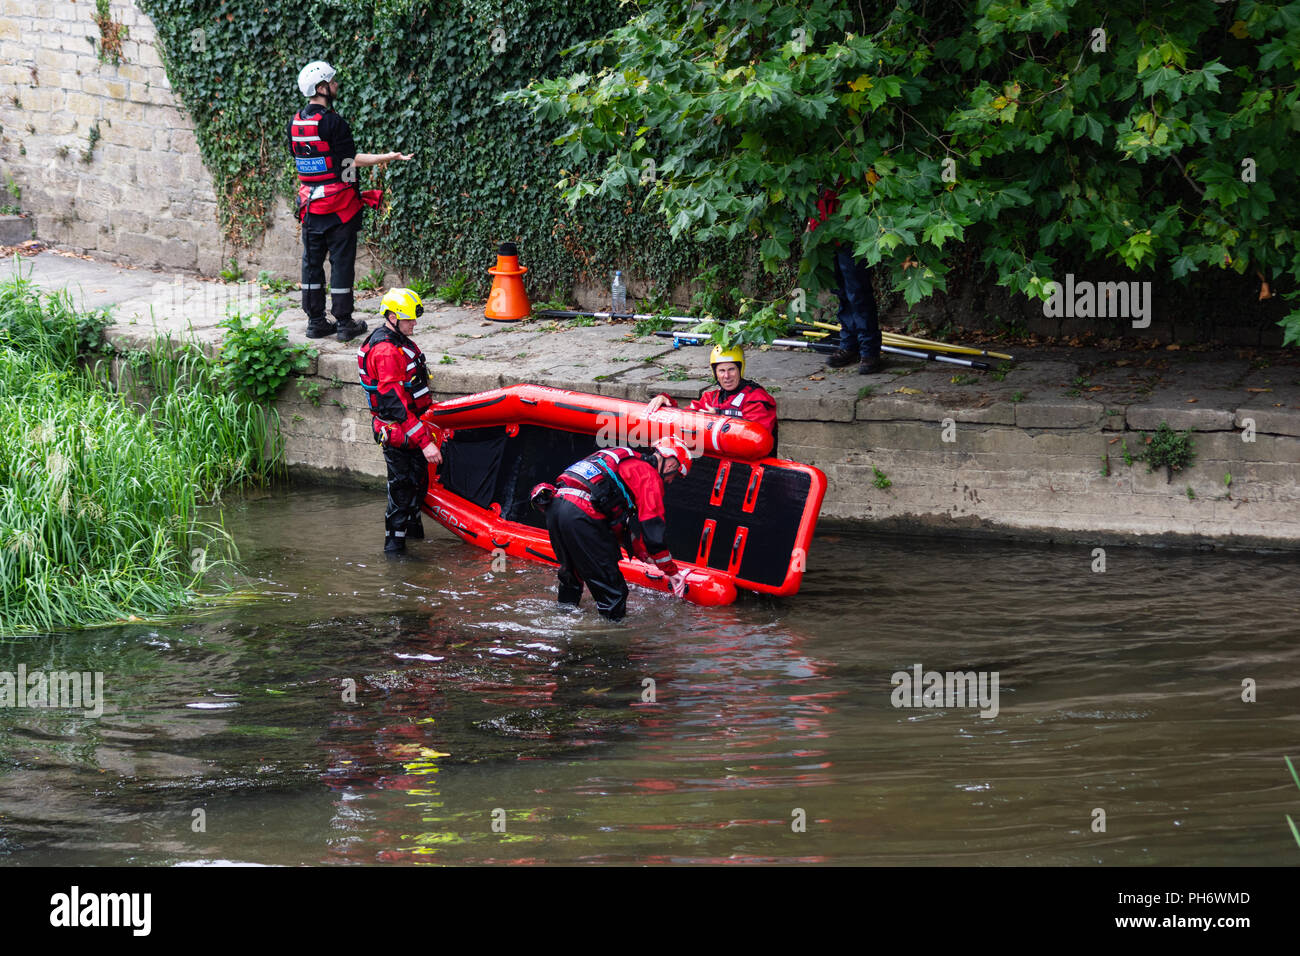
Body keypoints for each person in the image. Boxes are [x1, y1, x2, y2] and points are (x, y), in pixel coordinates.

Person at [290, 60, 413, 342]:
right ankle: (344, 323)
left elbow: (302, 159)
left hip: (309, 206)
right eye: (332, 83)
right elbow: (349, 164)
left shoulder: (295, 122)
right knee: (342, 262)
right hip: (339, 208)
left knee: (311, 263)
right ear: (321, 89)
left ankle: (316, 322)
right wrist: (386, 157)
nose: (336, 86)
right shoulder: (334, 122)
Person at [530, 437, 693, 620]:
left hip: (556, 506)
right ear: (671, 464)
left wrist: (643, 555)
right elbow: (653, 530)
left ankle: (561, 624)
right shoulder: (649, 475)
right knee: (614, 594)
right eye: (676, 475)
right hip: (581, 514)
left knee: (572, 578)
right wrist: (671, 571)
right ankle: (610, 644)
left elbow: (615, 522)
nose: (671, 481)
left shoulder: (621, 459)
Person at [357, 288, 441, 553]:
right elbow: (394, 404)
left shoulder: (397, 341)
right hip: (398, 430)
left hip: (410, 425)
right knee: (402, 489)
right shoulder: (386, 351)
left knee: (417, 484)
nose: (414, 323)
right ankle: (395, 554)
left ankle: (414, 537)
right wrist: (425, 442)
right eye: (409, 319)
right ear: (392, 317)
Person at [645, 344, 780, 453]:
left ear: (740, 370)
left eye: (731, 369)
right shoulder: (711, 398)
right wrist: (666, 401)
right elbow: (683, 419)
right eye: (721, 371)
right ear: (715, 373)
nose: (726, 376)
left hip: (750, 466)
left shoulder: (757, 398)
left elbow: (754, 439)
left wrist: (716, 420)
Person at [808, 184, 884, 374]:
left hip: (850, 230)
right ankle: (849, 345)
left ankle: (869, 351)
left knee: (857, 292)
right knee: (840, 291)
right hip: (825, 230)